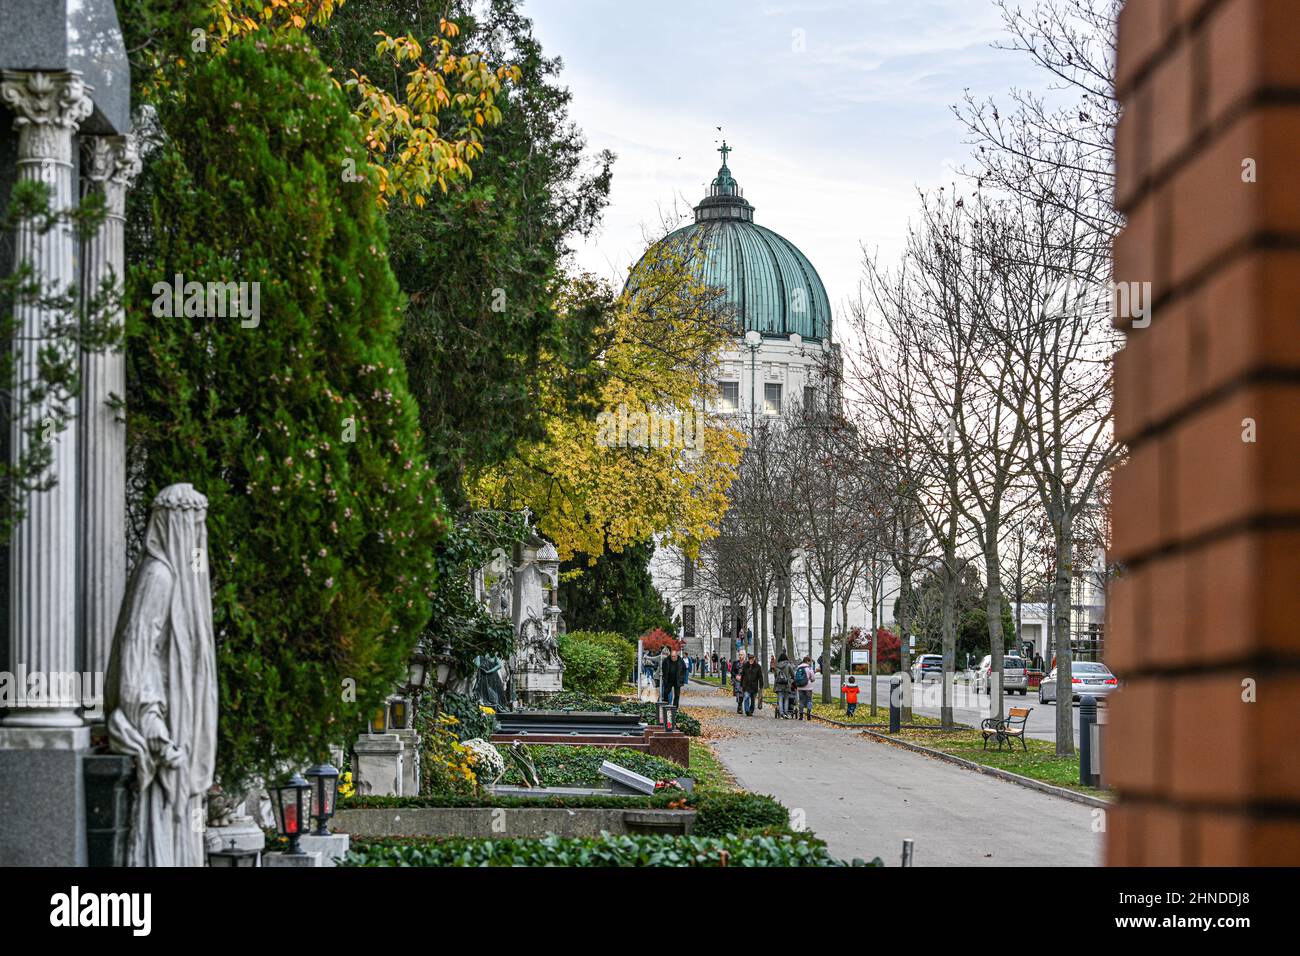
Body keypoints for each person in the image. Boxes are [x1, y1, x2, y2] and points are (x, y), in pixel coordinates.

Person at [774, 652, 796, 719]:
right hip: (786, 684)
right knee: (786, 699)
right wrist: (791, 679)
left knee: (780, 699)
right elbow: (793, 675)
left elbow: (775, 675)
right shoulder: (788, 665)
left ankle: (781, 714)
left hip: (779, 684)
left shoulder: (777, 666)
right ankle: (786, 713)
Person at [794, 656, 815, 720]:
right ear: (807, 661)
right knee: (809, 700)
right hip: (808, 687)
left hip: (800, 687)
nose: (810, 663)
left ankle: (801, 715)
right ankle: (809, 712)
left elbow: (796, 677)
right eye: (809, 662)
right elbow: (813, 678)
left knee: (801, 701)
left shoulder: (798, 668)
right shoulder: (809, 668)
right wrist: (810, 680)